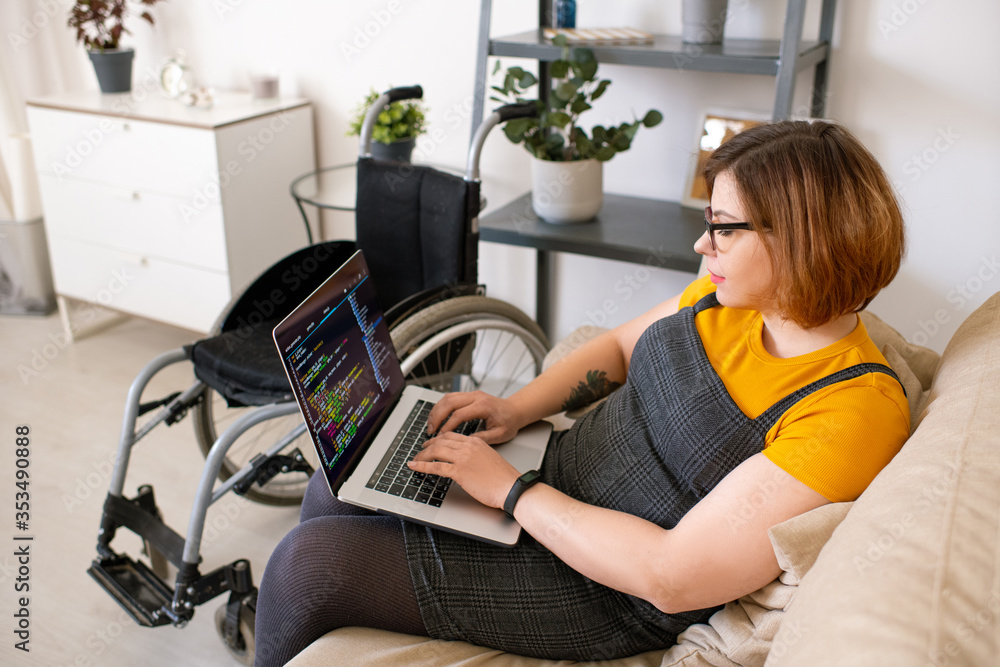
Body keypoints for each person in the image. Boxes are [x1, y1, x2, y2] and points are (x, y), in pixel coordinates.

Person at [252, 120, 910, 666]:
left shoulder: (852, 407)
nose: (701, 241)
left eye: (724, 228)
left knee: (307, 565)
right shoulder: (732, 300)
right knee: (334, 485)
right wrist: (515, 407)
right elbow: (621, 348)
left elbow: (671, 575)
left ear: (803, 241)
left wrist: (509, 490)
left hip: (600, 586)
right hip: (550, 479)